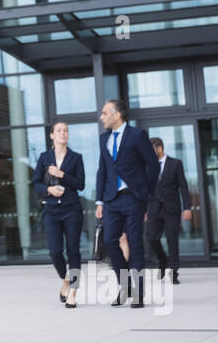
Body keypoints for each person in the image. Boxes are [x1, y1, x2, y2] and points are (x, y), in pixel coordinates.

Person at [94, 98, 159, 307]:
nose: (101, 117)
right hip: (111, 199)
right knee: (110, 241)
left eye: (105, 113)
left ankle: (138, 292)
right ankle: (126, 285)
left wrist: (144, 193)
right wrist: (99, 200)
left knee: (135, 243)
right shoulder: (104, 139)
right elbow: (103, 170)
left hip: (133, 198)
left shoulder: (137, 136)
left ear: (117, 114)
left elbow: (153, 166)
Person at [32, 122, 85, 308]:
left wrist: (61, 174)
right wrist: (49, 190)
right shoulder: (44, 157)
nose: (63, 133)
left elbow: (81, 184)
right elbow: (35, 183)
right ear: (52, 135)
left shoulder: (76, 158)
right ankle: (66, 279)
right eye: (59, 130)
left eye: (66, 130)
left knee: (73, 251)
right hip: (51, 210)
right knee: (55, 251)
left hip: (72, 209)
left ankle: (73, 292)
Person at [146, 137, 191, 284]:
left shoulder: (175, 164)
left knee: (172, 241)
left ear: (159, 148)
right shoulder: (148, 166)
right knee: (151, 237)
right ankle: (162, 260)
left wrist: (187, 207)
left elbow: (183, 186)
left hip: (171, 209)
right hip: (154, 208)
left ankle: (174, 273)